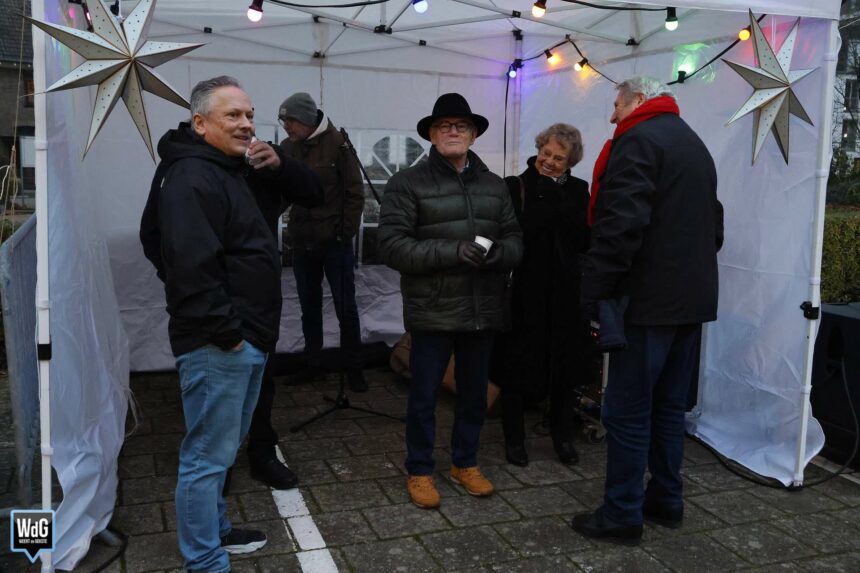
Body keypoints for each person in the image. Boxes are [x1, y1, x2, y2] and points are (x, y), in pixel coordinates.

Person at [139, 76, 321, 571]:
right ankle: (205, 561)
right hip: (222, 344)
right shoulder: (190, 177)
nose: (245, 124)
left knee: (218, 455)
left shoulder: (229, 168)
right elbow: (186, 265)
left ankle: (216, 532)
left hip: (244, 337)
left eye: (249, 115)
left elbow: (314, 192)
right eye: (232, 116)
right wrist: (229, 335)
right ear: (200, 123)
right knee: (205, 459)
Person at [571, 76, 724, 545]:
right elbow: (714, 227)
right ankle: (666, 499)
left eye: (615, 105)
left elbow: (621, 226)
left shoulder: (638, 141)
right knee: (669, 407)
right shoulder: (692, 142)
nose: (612, 116)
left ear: (638, 100)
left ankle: (621, 513)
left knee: (628, 410)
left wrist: (593, 290)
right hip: (691, 301)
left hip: (648, 303)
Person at [378, 93, 523, 509]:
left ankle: (465, 461)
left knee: (474, 393)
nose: (453, 131)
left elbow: (515, 239)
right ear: (431, 135)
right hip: (433, 308)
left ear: (474, 134)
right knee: (424, 396)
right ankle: (420, 469)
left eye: (461, 125)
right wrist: (451, 251)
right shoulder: (407, 183)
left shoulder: (495, 186)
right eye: (445, 126)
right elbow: (391, 246)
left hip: (483, 307)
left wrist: (500, 255)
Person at [491, 123, 592, 468]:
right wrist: (549, 198)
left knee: (564, 367)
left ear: (570, 162)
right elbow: (520, 230)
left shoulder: (579, 189)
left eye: (558, 158)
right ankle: (514, 438)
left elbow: (583, 237)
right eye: (545, 153)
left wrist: (559, 205)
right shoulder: (516, 185)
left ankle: (562, 436)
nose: (548, 161)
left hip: (566, 292)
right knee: (517, 364)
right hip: (525, 289)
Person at [278, 92, 368, 392]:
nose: (286, 126)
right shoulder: (287, 147)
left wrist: (345, 233)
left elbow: (355, 193)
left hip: (335, 243)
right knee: (309, 307)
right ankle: (313, 364)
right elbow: (282, 191)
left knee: (346, 308)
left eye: (289, 120)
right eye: (283, 121)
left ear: (305, 118)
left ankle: (353, 367)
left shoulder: (339, 143)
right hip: (303, 242)